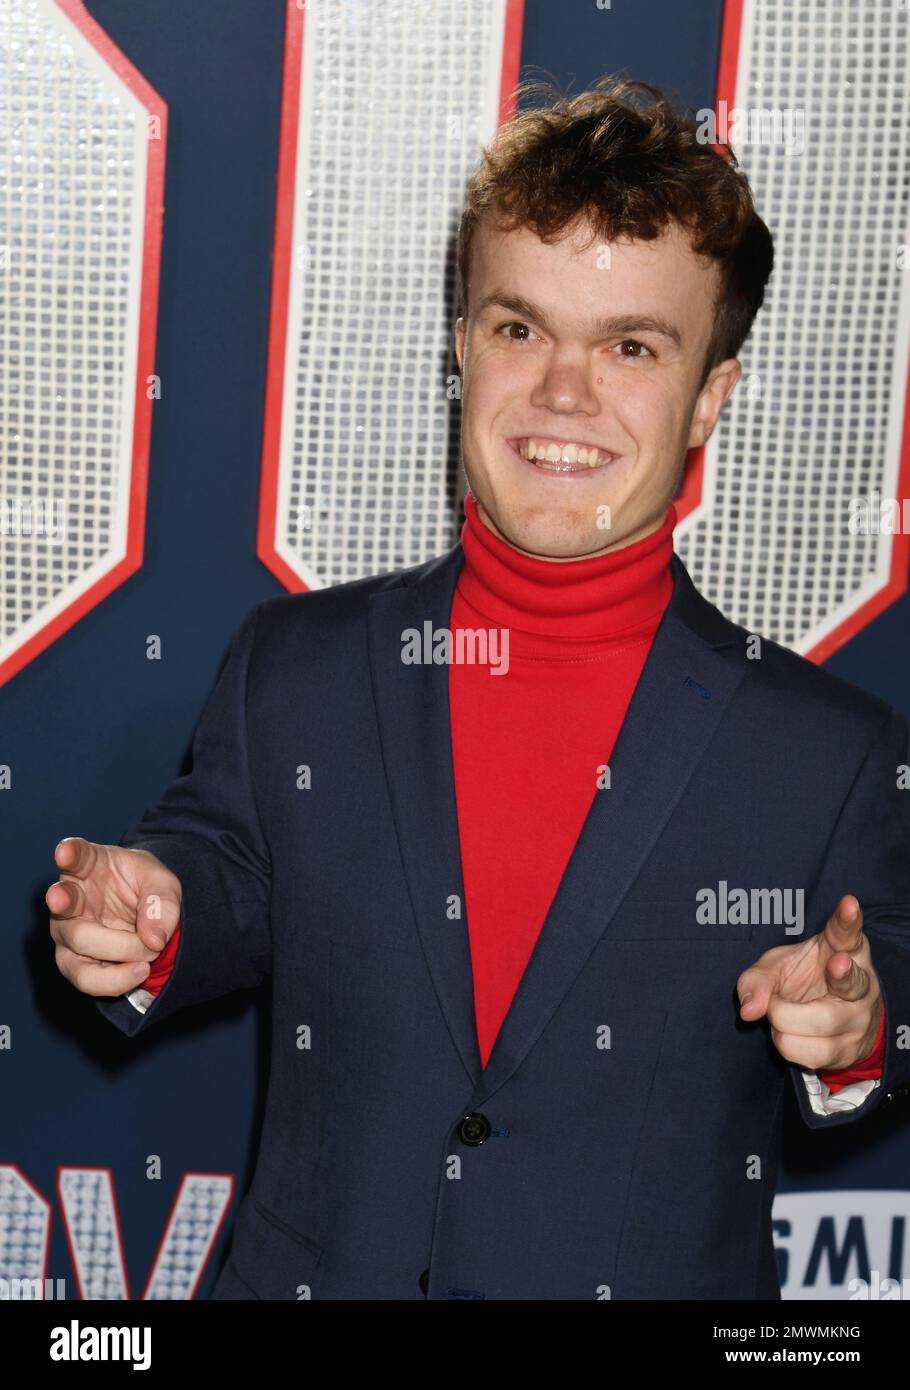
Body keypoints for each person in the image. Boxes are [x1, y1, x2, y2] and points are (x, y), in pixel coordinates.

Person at [47, 76, 910, 1300]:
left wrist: (859, 1028)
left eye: (629, 347)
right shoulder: (296, 666)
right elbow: (215, 874)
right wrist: (147, 911)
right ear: (461, 345)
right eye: (520, 327)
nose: (564, 392)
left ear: (712, 392)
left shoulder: (831, 752)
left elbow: (891, 999)